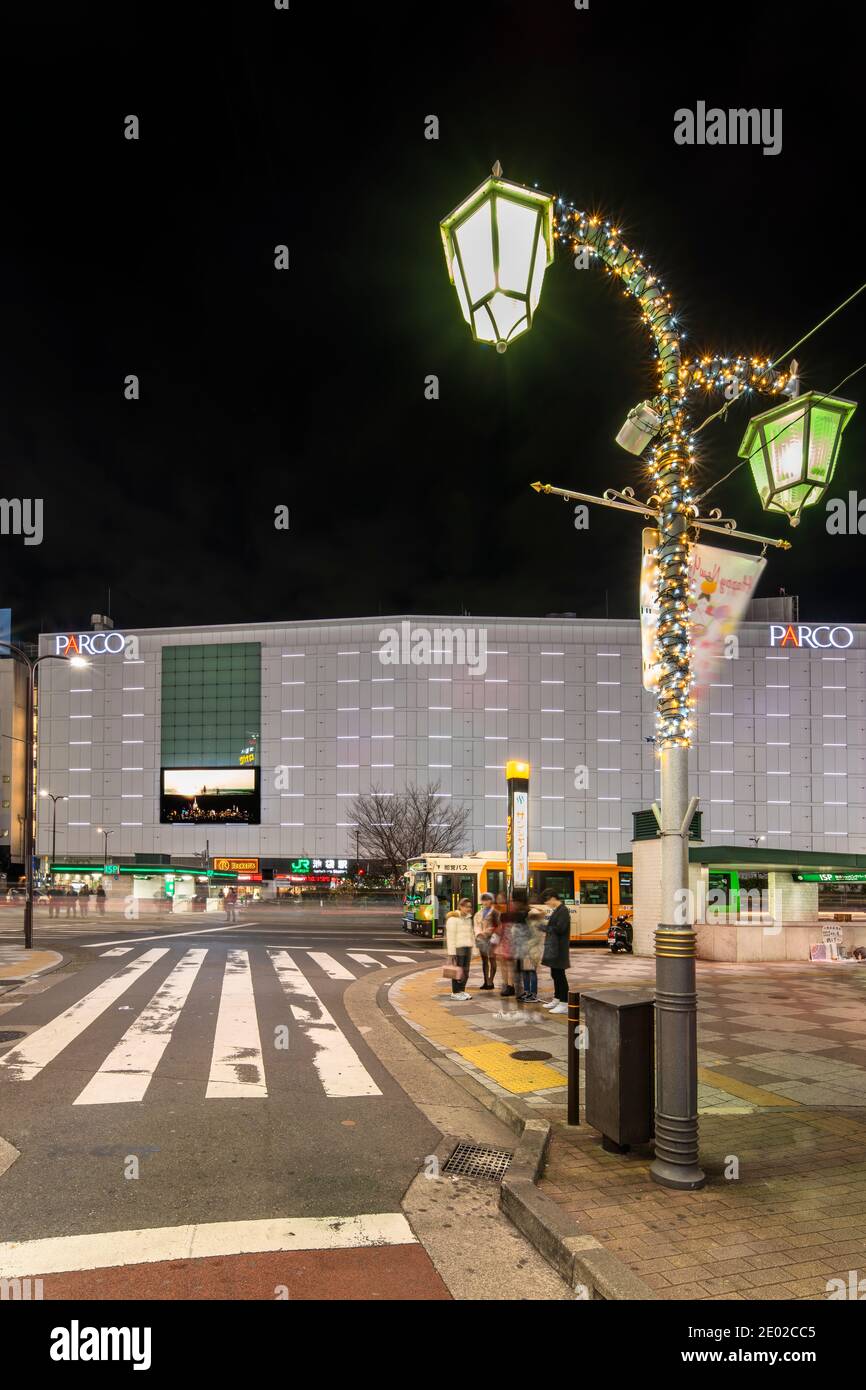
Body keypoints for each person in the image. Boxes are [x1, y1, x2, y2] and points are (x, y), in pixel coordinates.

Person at [541, 889, 571, 1014]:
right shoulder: (557, 910)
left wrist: (544, 927)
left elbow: (560, 929)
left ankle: (564, 1002)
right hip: (554, 947)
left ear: (553, 898)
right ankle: (557, 999)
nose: (547, 904)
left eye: (547, 901)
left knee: (560, 975)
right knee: (555, 974)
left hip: (559, 948)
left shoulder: (563, 911)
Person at [444, 897, 474, 1001]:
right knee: (457, 971)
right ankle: (455, 992)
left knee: (465, 971)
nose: (468, 909)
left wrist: (473, 949)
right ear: (460, 906)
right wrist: (451, 953)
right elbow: (450, 937)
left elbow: (471, 935)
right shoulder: (453, 919)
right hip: (458, 948)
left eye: (470, 907)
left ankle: (462, 990)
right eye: (466, 906)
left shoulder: (468, 918)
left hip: (467, 947)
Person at [519, 907, 545, 1002]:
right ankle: (527, 991)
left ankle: (533, 994)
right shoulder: (527, 923)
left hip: (533, 952)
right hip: (525, 951)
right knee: (525, 972)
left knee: (531, 972)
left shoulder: (538, 924)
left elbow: (536, 939)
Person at [473, 892, 498, 989]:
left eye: (488, 900)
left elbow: (496, 927)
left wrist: (486, 933)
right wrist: (479, 934)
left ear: (491, 901)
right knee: (484, 960)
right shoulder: (478, 914)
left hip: (492, 939)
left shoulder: (495, 913)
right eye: (484, 900)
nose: (485, 902)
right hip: (481, 939)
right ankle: (486, 981)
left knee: (492, 959)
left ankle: (491, 981)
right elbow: (476, 926)